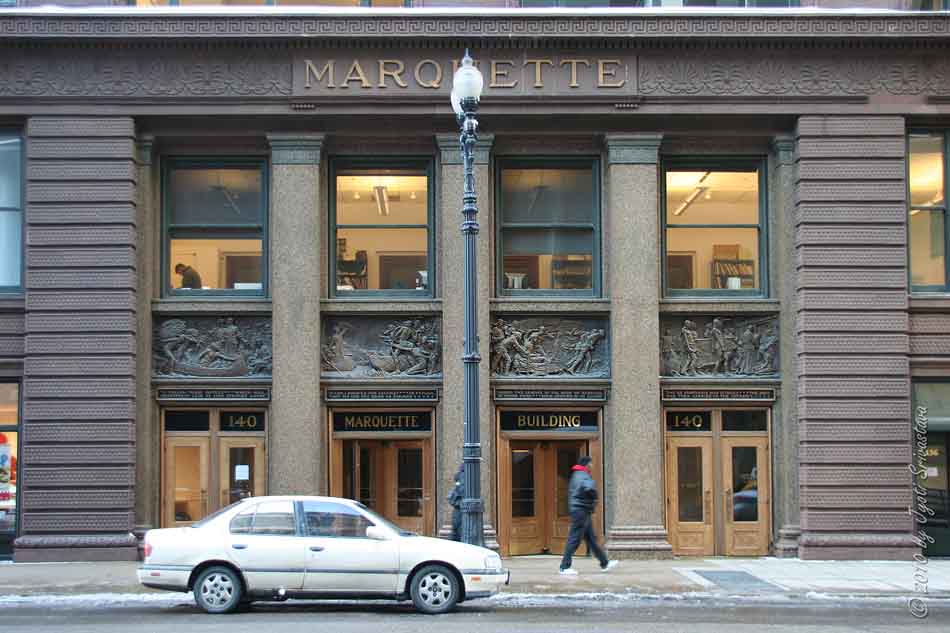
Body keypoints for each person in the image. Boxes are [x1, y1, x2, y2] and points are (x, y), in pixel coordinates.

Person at [559, 455, 618, 575]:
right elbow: (589, 488)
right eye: (590, 464)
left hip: (581, 510)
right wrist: (594, 497)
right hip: (581, 511)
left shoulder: (577, 474)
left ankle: (604, 563)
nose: (592, 466)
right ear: (586, 464)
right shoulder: (583, 475)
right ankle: (564, 567)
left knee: (591, 539)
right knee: (574, 539)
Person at [448, 464, 464, 542]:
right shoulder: (462, 476)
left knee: (456, 532)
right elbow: (459, 491)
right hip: (460, 509)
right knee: (458, 532)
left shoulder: (460, 476)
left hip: (459, 509)